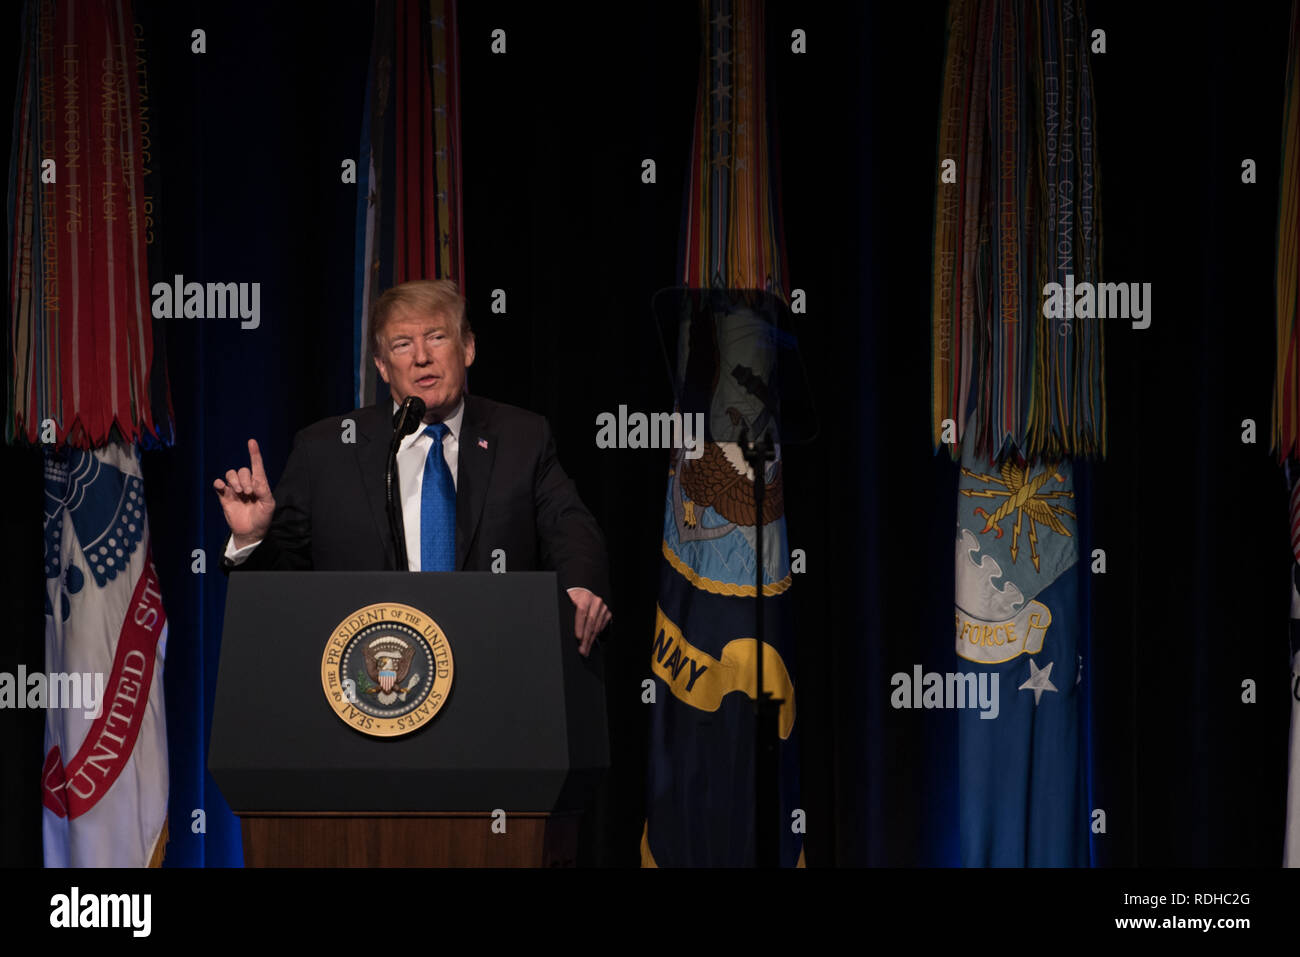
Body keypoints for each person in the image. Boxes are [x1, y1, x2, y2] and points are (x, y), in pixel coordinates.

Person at [214, 279, 612, 655]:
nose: (422, 357)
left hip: (493, 666)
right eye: (402, 344)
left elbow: (569, 524)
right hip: (368, 679)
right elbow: (282, 587)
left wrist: (579, 587)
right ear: (383, 366)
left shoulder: (522, 437)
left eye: (437, 337)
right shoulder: (325, 450)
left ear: (468, 348)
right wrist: (252, 541)